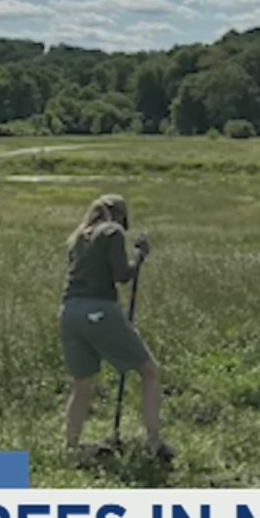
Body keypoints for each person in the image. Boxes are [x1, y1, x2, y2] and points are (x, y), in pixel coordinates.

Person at [59, 194, 171, 461]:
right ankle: (154, 443)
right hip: (99, 310)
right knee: (150, 372)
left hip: (69, 312)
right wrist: (139, 256)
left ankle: (71, 447)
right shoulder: (112, 231)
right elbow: (122, 276)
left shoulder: (78, 237)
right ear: (120, 216)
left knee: (82, 384)